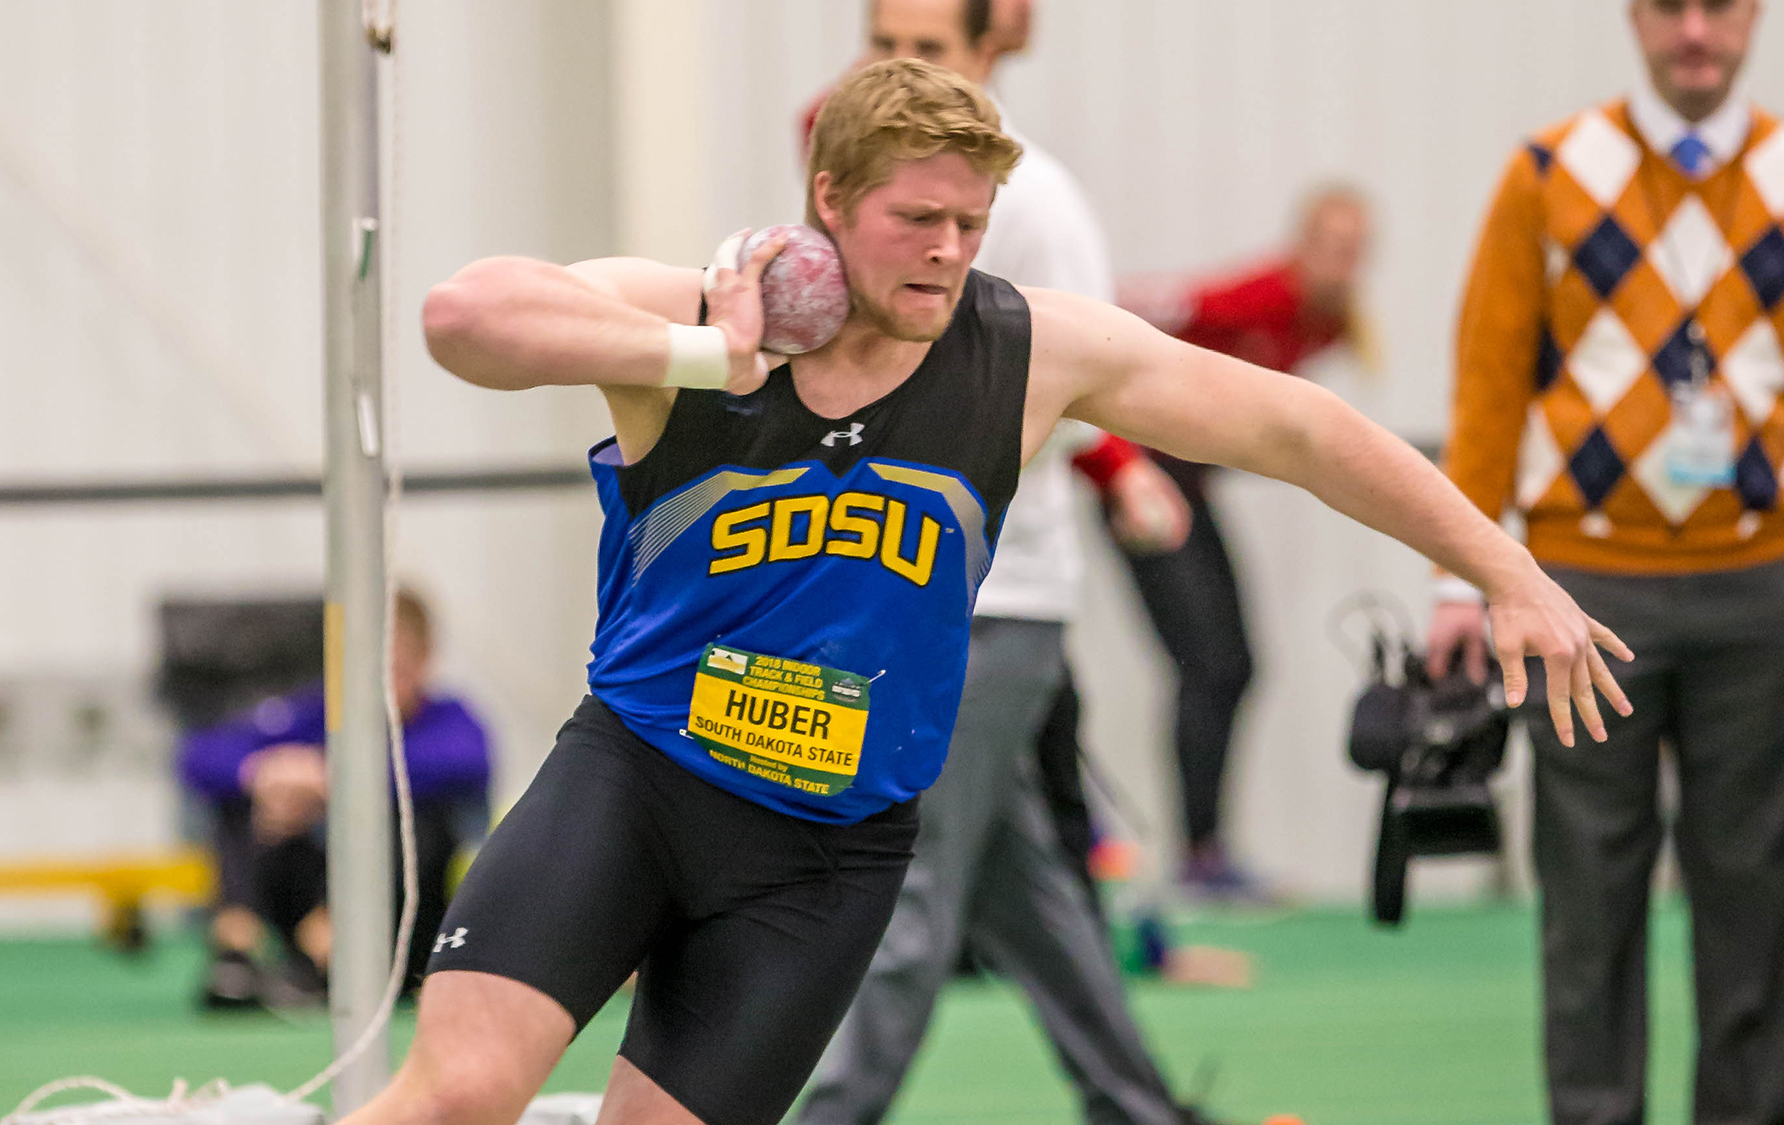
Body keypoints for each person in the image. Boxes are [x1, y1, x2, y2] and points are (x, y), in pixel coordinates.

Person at [348, 58, 1627, 1125]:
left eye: (972, 223)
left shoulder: (1024, 356)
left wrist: (1503, 569)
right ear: (828, 200)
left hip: (824, 857)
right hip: (634, 787)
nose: (949, 253)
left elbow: (1291, 428)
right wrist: (705, 351)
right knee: (459, 1096)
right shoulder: (694, 321)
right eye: (918, 221)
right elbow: (465, 316)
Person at [1424, 2, 1784, 1122]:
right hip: (1580, 590)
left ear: (1751, 16)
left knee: (1754, 888)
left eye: (1718, 7)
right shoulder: (1548, 172)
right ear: (1634, 17)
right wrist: (1458, 579)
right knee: (1587, 894)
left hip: (1770, 588)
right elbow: (1487, 386)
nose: (1694, 33)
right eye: (1669, 7)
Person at [785, 4, 1212, 1125]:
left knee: (904, 879)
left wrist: (1121, 470)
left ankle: (831, 1112)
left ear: (988, 54)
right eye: (880, 47)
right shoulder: (851, 179)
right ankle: (1138, 1106)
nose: (889, 70)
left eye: (923, 52)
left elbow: (1086, 381)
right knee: (1022, 888)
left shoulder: (1041, 208)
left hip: (991, 605)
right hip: (897, 594)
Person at [1115, 186, 1372, 898]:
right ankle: (1198, 856)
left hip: (1188, 483)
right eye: (1331, 248)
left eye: (1355, 253)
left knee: (1234, 664)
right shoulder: (1263, 296)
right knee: (1210, 663)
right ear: (1300, 247)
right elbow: (1134, 309)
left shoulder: (1328, 324)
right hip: (1140, 475)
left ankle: (1207, 851)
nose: (1343, 266)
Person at [177, 587, 491, 1008]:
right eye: (365, 669)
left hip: (407, 923)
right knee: (246, 805)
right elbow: (200, 755)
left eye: (393, 670)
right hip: (307, 896)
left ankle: (331, 950)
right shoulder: (314, 715)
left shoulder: (450, 720)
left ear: (424, 662)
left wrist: (334, 779)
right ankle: (238, 949)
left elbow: (463, 763)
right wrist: (265, 774)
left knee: (415, 821)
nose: (378, 685)